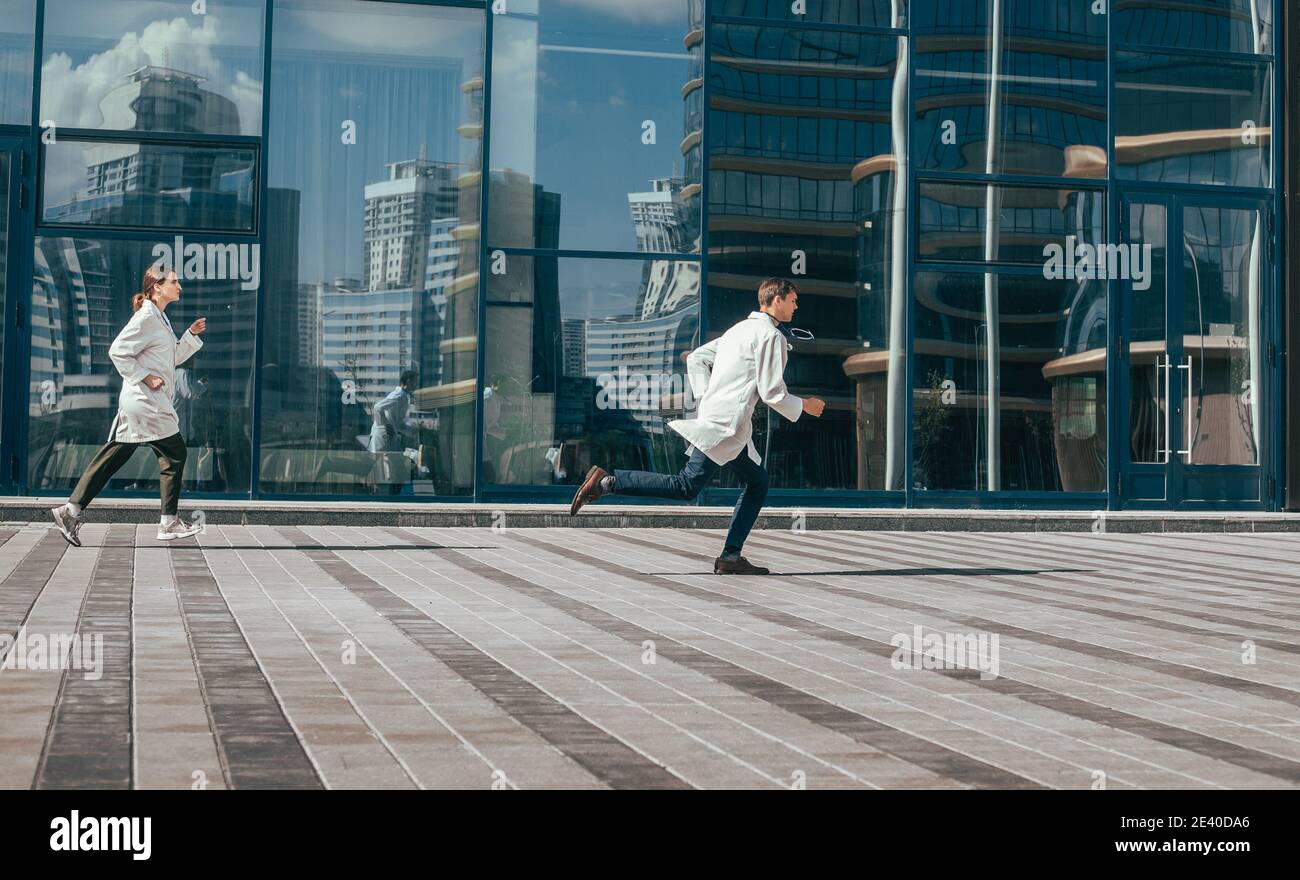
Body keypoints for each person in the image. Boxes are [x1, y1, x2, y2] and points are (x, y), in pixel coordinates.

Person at [569, 278, 825, 574]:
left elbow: (697, 358)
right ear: (776, 299)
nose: (796, 306)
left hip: (728, 425)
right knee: (686, 485)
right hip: (725, 426)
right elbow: (772, 393)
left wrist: (707, 397)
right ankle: (606, 483)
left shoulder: (738, 330)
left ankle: (730, 557)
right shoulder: (771, 337)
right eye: (793, 300)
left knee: (757, 482)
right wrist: (806, 404)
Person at [49, 266, 207, 545]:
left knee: (116, 455)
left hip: (145, 403)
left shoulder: (159, 318)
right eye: (174, 281)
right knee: (175, 454)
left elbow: (171, 358)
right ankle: (168, 523)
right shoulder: (146, 317)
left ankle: (70, 511)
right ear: (157, 287)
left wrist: (190, 335)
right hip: (146, 402)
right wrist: (146, 378)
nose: (179, 285)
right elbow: (117, 351)